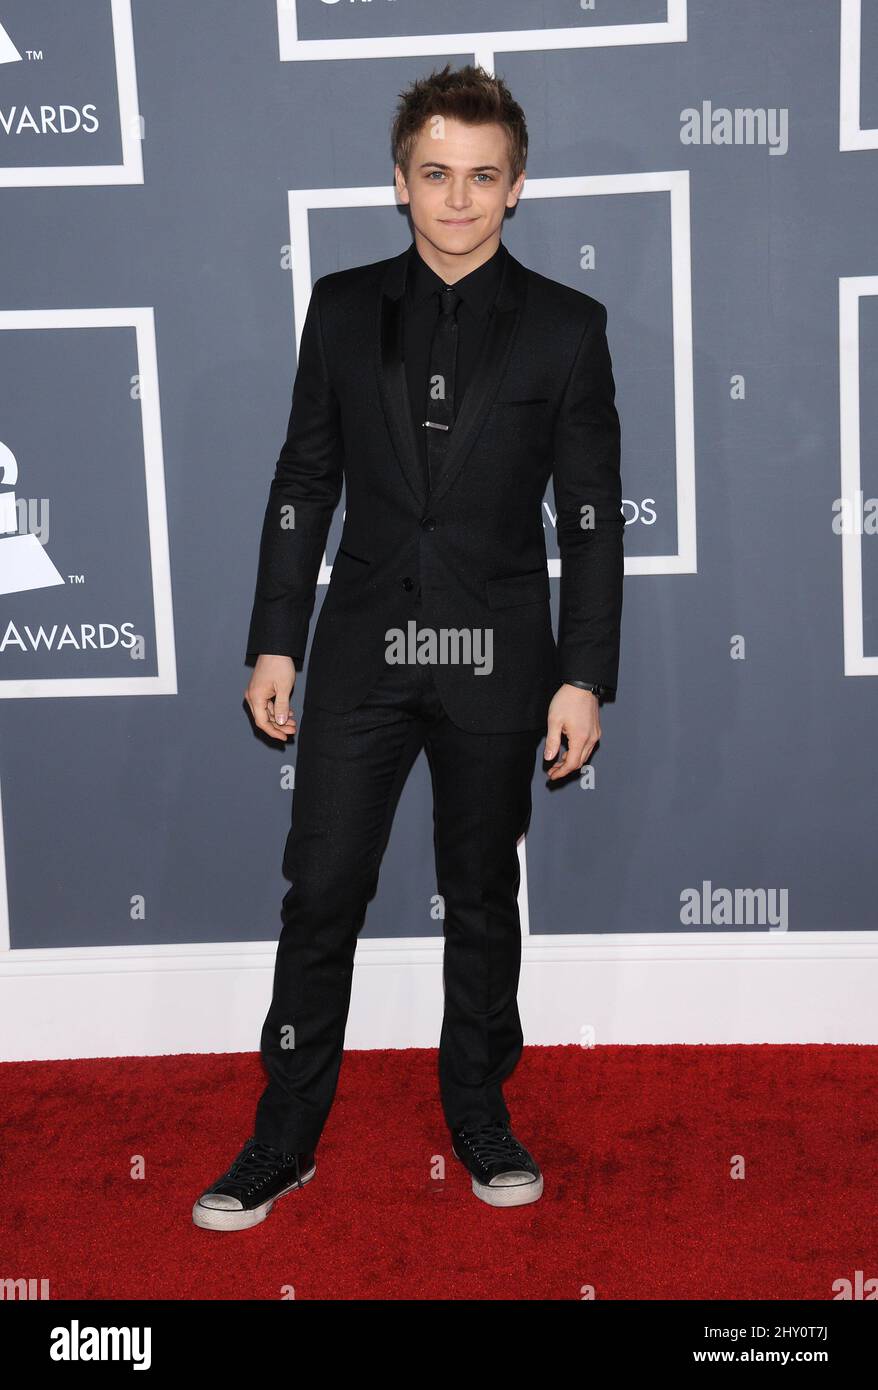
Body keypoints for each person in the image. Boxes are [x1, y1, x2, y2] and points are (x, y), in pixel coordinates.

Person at [193, 63, 624, 1231]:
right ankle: (283, 1136)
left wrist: (582, 674)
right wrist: (274, 639)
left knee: (481, 895)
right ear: (400, 183)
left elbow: (589, 517)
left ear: (515, 187)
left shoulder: (567, 330)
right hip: (360, 654)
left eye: (482, 178)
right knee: (320, 888)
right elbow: (304, 480)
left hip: (498, 659)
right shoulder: (337, 310)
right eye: (435, 175)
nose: (457, 199)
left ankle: (479, 1112)